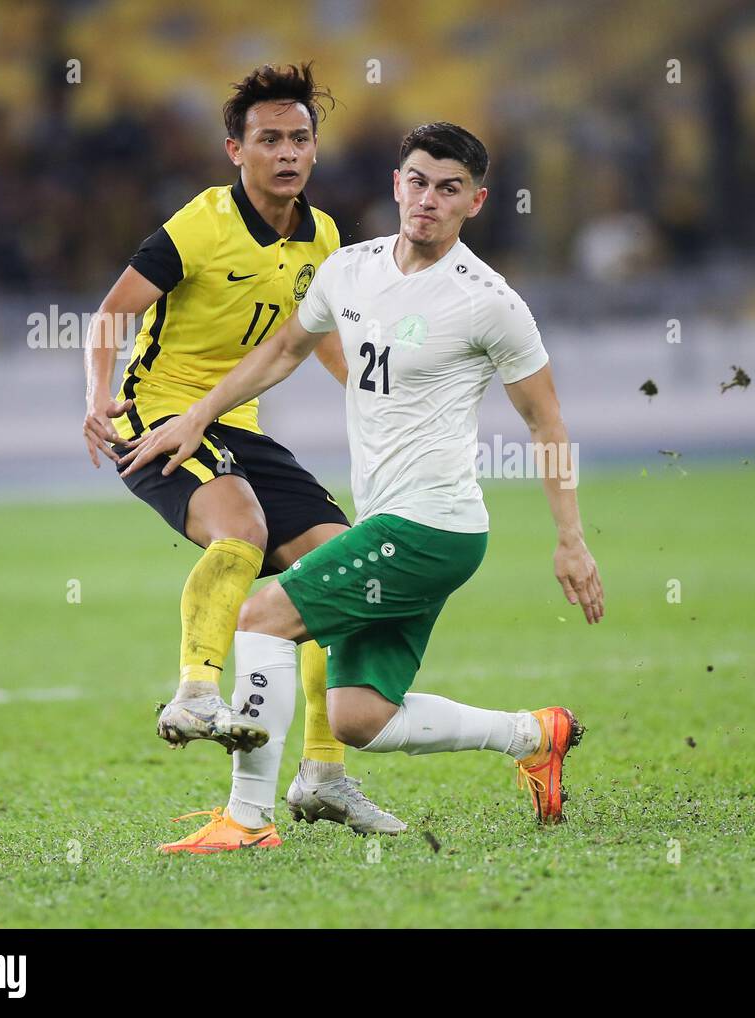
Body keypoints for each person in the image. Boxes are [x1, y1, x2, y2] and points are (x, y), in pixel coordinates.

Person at [120, 122, 603, 848]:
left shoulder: (489, 301)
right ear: (396, 183)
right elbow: (284, 350)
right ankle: (536, 735)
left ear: (477, 201)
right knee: (359, 718)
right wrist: (199, 416)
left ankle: (246, 821)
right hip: (394, 525)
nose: (428, 199)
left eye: (448, 189)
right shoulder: (349, 269)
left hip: (431, 528)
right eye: (417, 180)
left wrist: (571, 539)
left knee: (258, 620)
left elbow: (547, 423)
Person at [85, 64, 403, 850]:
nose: (287, 153)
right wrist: (99, 398)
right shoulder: (201, 224)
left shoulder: (324, 238)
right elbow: (111, 314)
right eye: (270, 140)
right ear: (237, 149)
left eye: (300, 139)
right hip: (161, 416)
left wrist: (377, 402)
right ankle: (195, 692)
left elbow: (323, 340)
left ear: (315, 150)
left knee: (344, 574)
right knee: (243, 531)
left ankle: (324, 778)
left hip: (236, 425)